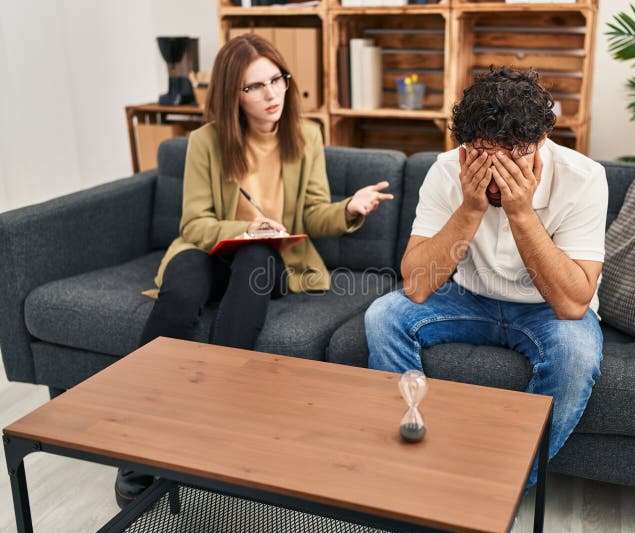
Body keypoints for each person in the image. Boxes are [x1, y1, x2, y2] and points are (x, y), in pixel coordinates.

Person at [115, 34, 393, 508]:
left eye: (277, 80)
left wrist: (350, 208)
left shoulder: (305, 137)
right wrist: (241, 227)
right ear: (232, 95)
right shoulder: (204, 143)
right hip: (206, 248)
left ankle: (220, 419)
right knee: (181, 293)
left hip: (262, 259)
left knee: (258, 255)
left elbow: (309, 215)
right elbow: (194, 223)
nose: (272, 95)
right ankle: (137, 441)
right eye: (255, 87)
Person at [365, 66, 608, 490]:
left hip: (546, 312)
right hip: (469, 299)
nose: (495, 175)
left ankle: (499, 489)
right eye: (480, 156)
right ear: (463, 150)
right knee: (383, 316)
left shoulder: (584, 178)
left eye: (511, 158)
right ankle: (407, 461)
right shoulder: (445, 172)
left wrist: (520, 212)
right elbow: (417, 284)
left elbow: (572, 303)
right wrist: (471, 208)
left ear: (540, 144)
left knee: (576, 355)